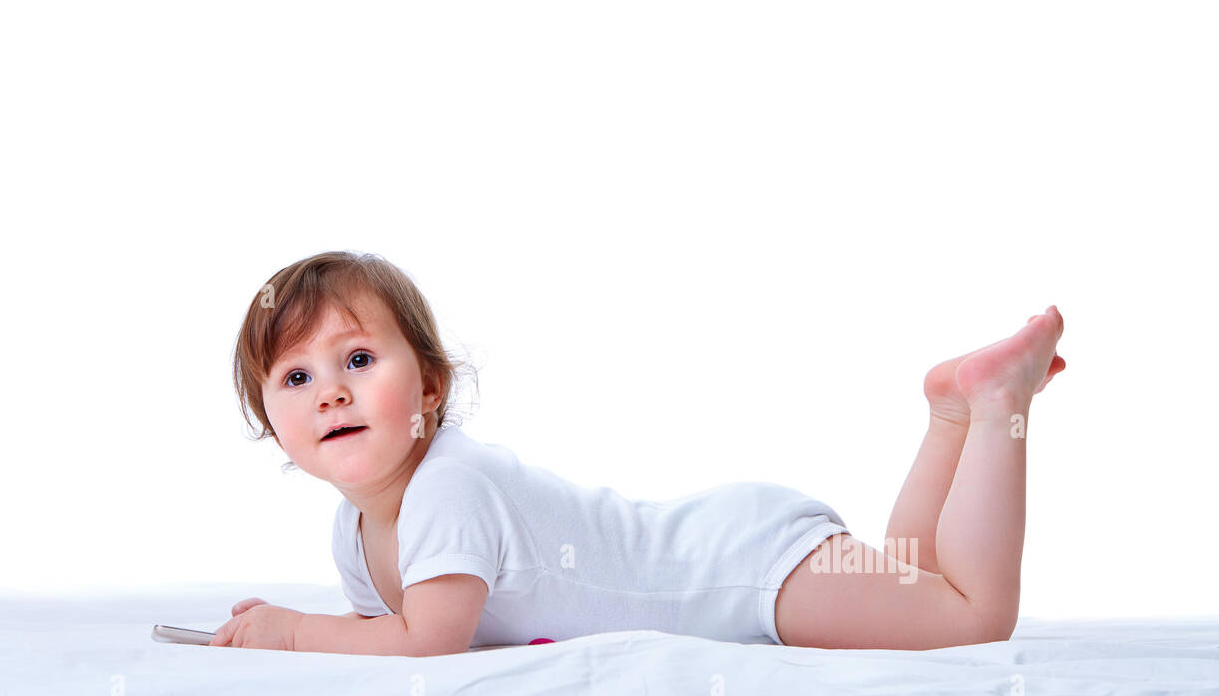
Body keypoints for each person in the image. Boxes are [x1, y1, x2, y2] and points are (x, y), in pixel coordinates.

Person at [210, 250, 1065, 654]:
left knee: (969, 620)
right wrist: (294, 625)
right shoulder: (353, 532)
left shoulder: (449, 484)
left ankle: (996, 410)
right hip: (732, 548)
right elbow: (378, 635)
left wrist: (289, 632)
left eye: (358, 360)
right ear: (272, 422)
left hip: (742, 569)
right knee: (915, 578)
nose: (329, 391)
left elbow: (426, 640)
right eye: (294, 377)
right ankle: (950, 419)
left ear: (430, 389)